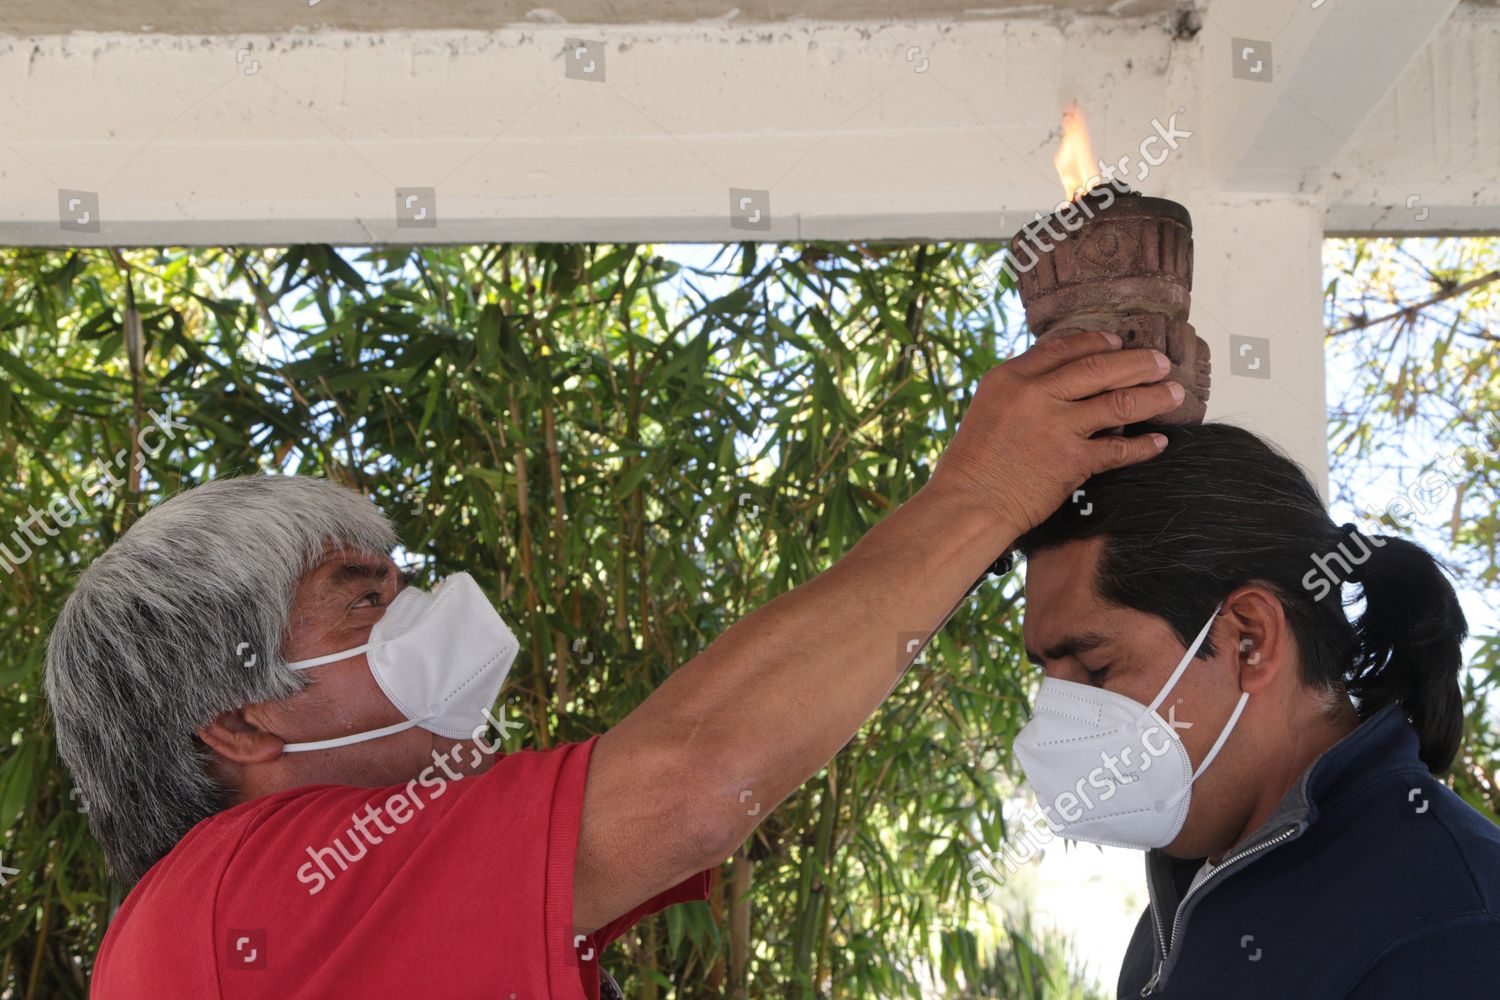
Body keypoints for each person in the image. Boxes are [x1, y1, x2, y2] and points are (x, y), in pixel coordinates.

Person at [46, 331, 1179, 998]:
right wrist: (981, 494)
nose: (431, 614)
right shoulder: (250, 898)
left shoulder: (298, 911)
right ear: (241, 721)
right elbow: (694, 782)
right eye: (367, 601)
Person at [1007, 421, 1500, 998]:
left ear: (1251, 638)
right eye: (1048, 676)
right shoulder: (1180, 903)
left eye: (1095, 669)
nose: (1052, 726)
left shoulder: (1453, 929)